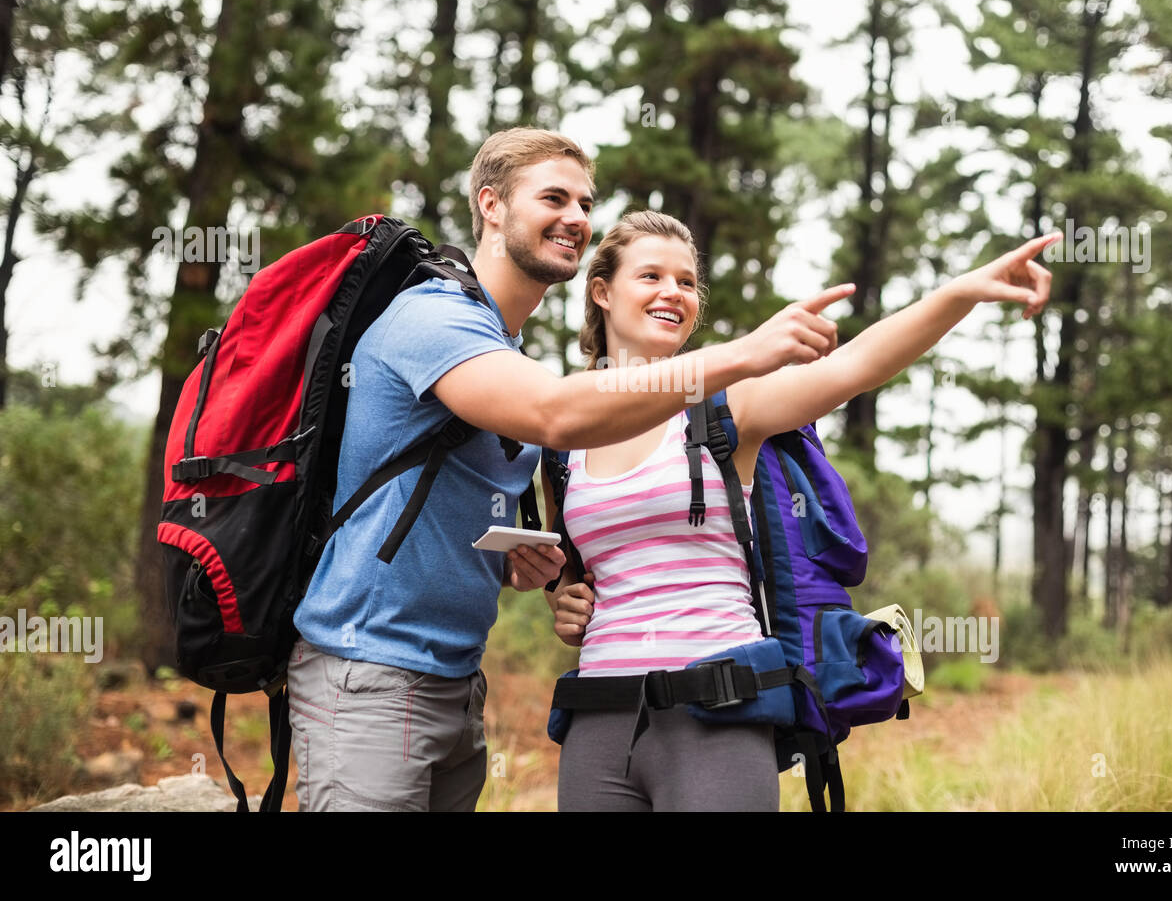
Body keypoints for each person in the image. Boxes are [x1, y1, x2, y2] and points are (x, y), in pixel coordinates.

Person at [286, 128, 852, 811]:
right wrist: (745, 354)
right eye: (553, 197)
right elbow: (556, 412)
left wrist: (537, 573)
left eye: (586, 203)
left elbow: (442, 507)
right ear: (490, 205)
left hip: (454, 682)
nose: (577, 218)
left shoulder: (505, 348)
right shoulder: (433, 319)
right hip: (366, 670)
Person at [543, 210, 1057, 811]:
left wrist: (961, 291)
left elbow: (855, 367)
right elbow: (573, 568)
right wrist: (564, 597)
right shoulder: (563, 435)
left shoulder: (724, 409)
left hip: (722, 713)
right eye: (651, 275)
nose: (672, 293)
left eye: (686, 282)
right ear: (601, 291)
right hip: (598, 722)